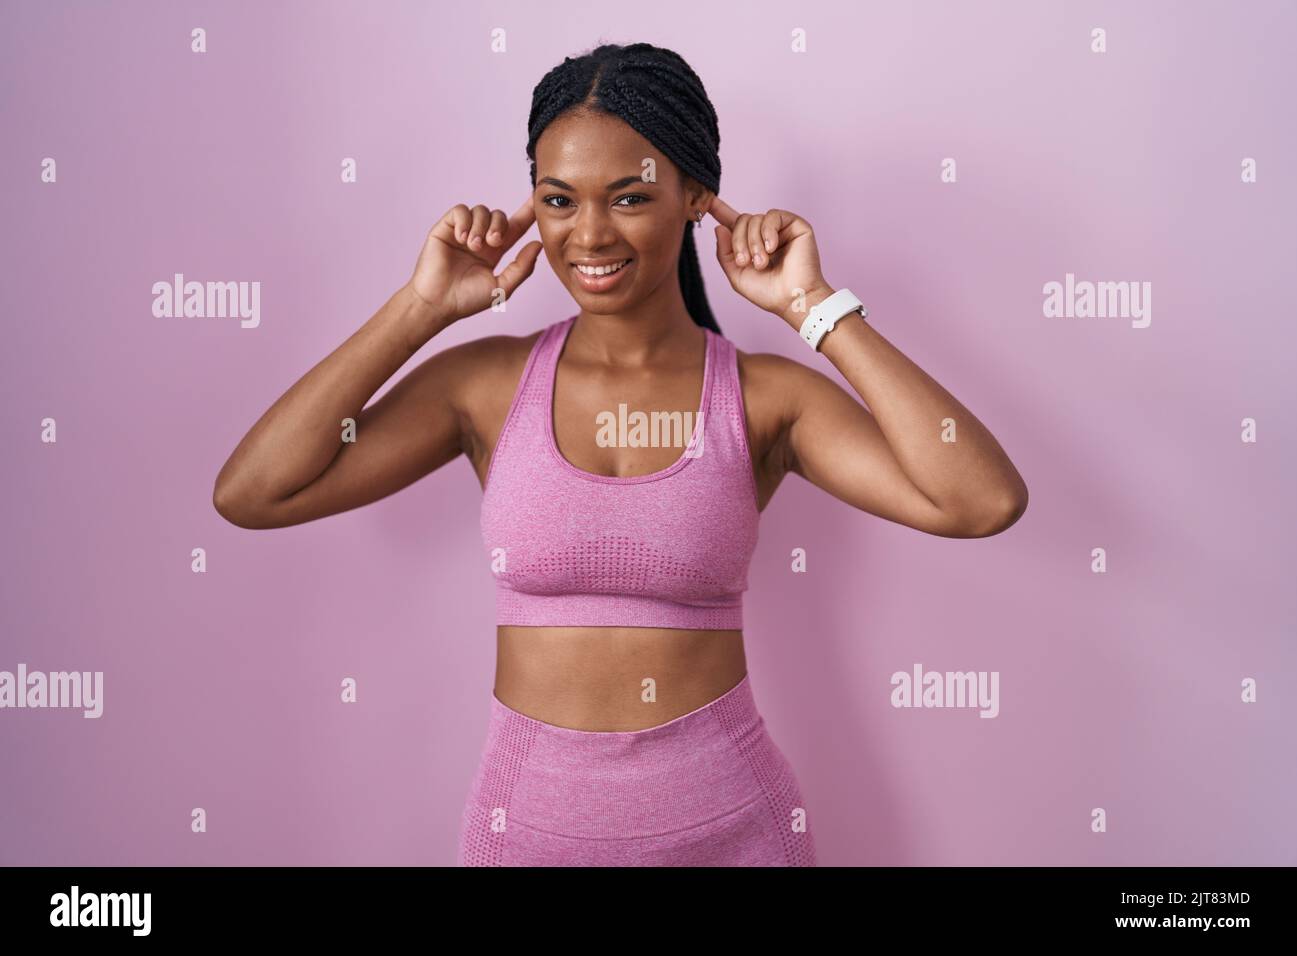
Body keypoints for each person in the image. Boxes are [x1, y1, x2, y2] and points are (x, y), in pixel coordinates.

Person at [212, 42, 1028, 866]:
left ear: (696, 197)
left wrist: (813, 306)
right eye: (559, 199)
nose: (589, 233)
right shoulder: (484, 386)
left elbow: (980, 500)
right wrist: (420, 310)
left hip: (735, 832)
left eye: (630, 197)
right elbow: (255, 491)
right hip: (526, 836)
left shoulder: (762, 398)